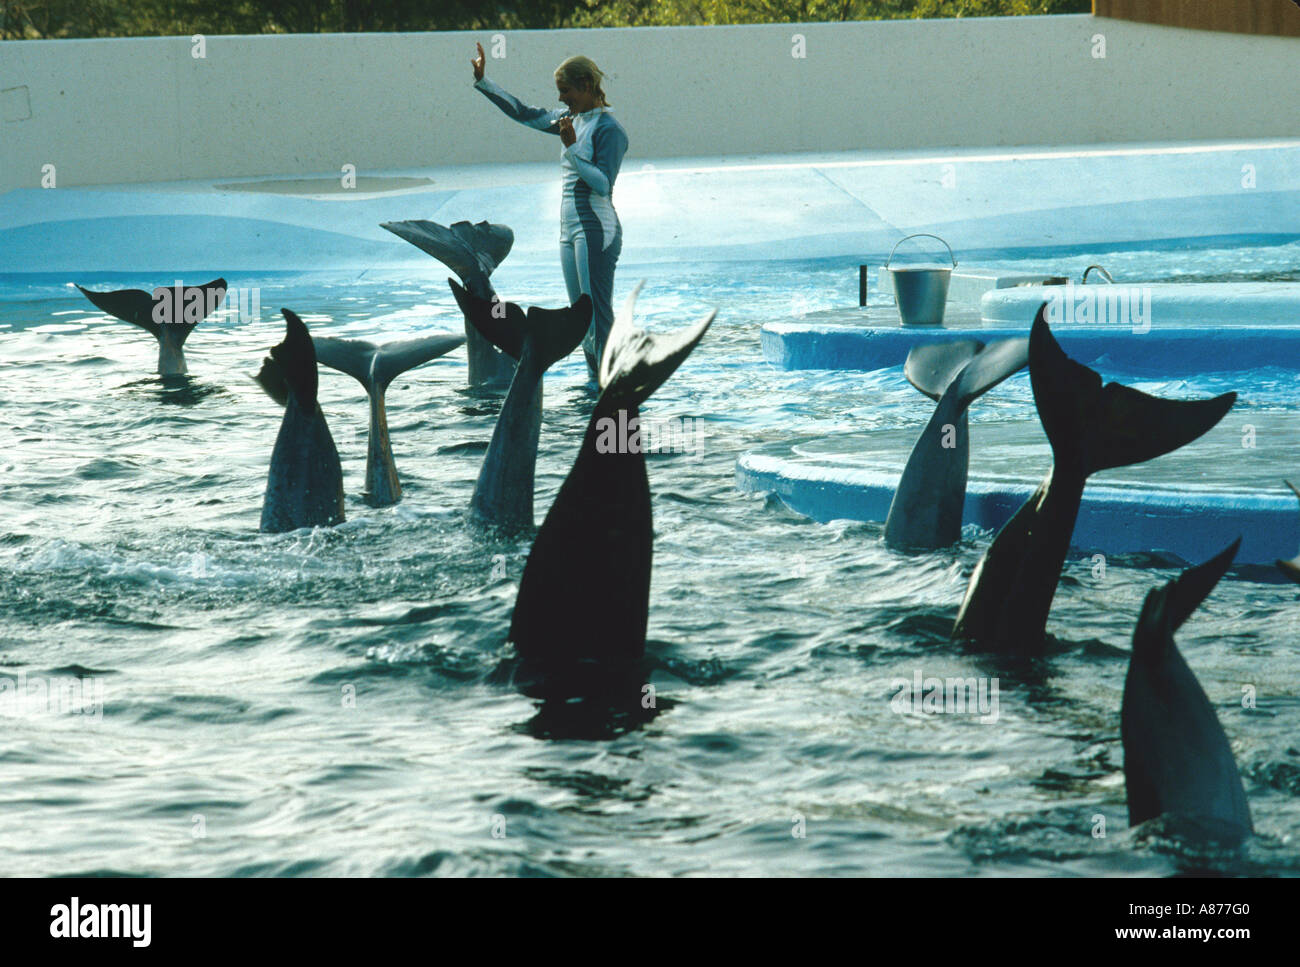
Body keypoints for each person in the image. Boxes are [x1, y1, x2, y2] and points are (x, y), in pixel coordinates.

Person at [471, 42, 629, 383]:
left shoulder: (610, 130)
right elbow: (524, 113)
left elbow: (602, 184)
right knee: (579, 319)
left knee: (597, 315)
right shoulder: (567, 120)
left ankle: (614, 388)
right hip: (569, 231)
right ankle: (594, 387)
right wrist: (485, 83)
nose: (561, 99)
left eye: (566, 91)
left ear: (586, 85)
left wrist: (572, 148)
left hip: (596, 230)